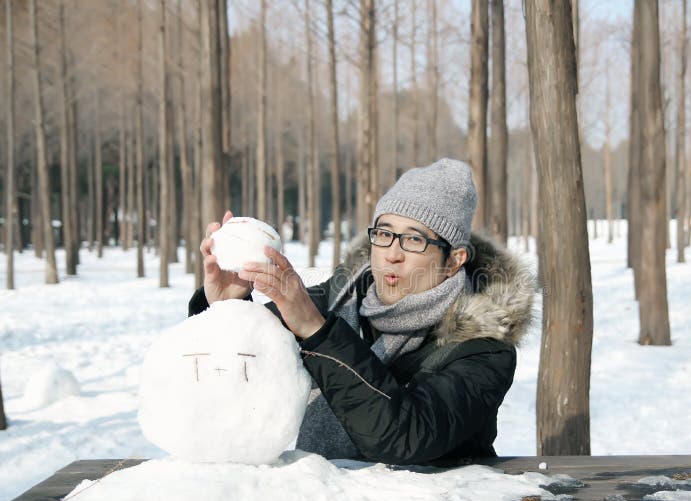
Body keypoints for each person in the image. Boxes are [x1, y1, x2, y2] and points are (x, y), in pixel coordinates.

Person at [189, 158, 535, 465]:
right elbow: (239, 375)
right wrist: (225, 306)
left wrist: (318, 332)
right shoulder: (337, 301)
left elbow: (406, 437)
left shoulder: (483, 345)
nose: (391, 254)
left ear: (454, 260)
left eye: (414, 240)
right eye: (384, 233)